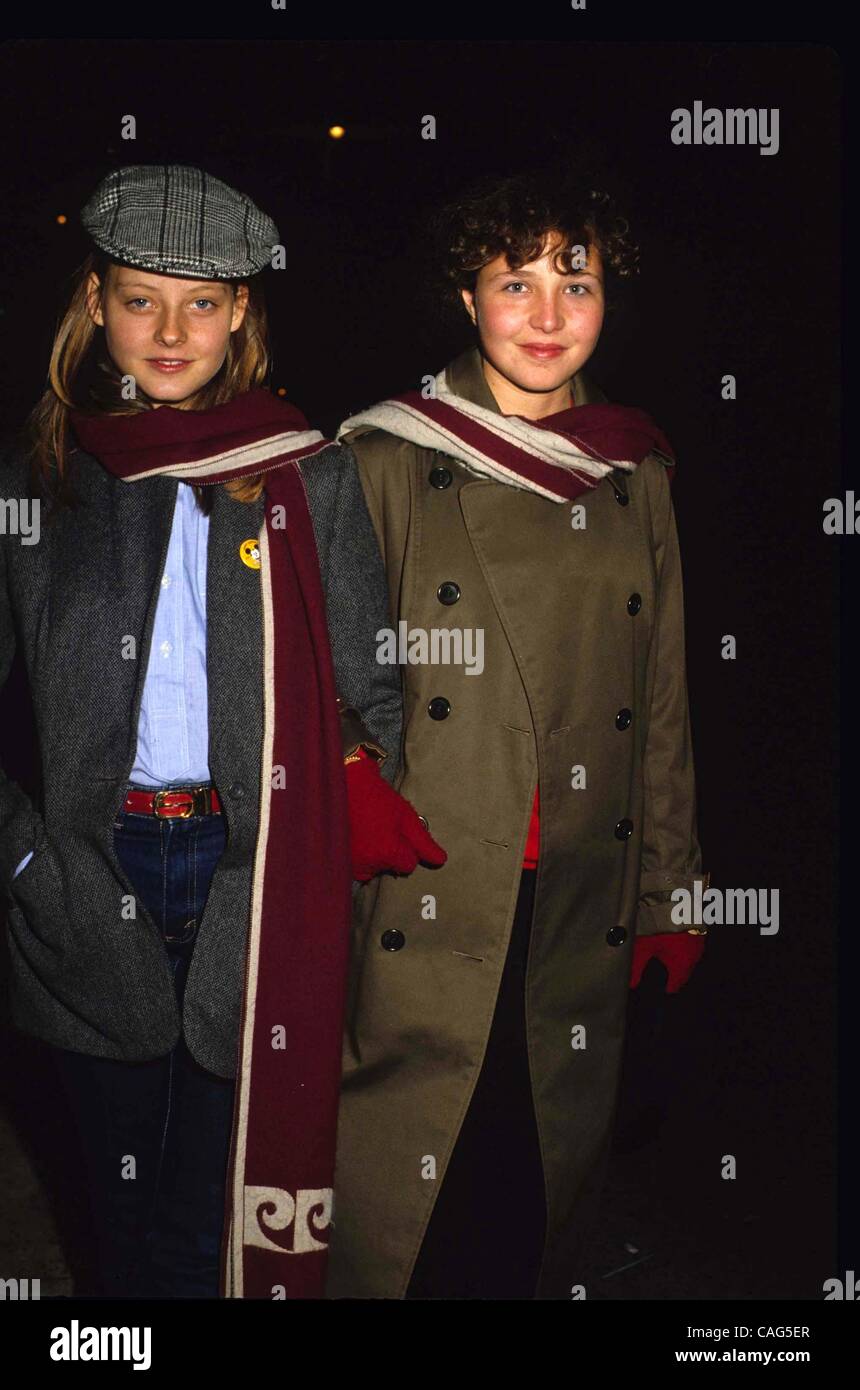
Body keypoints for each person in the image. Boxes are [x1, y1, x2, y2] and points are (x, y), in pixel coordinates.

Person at [0, 163, 443, 1300]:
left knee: (212, 1227)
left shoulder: (307, 471)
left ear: (242, 312)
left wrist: (328, 842)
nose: (170, 328)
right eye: (141, 297)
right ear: (93, 304)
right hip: (87, 884)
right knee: (119, 1224)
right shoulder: (42, 481)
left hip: (254, 886)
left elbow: (370, 691)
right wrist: (23, 856)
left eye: (202, 302)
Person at [326, 169, 710, 1300]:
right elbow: (314, 659)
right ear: (464, 294)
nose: (546, 316)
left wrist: (671, 886)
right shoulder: (384, 456)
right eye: (514, 282)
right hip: (427, 879)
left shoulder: (634, 467)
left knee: (532, 1183)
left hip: (579, 891)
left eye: (574, 281)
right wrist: (348, 768)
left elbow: (667, 693)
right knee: (408, 1192)